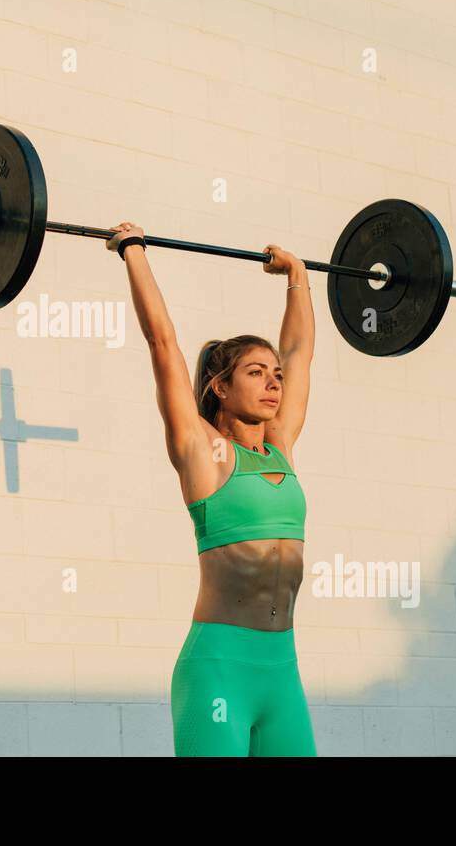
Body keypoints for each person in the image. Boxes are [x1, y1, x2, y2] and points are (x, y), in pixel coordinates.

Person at [106, 221, 318, 757]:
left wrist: (297, 276)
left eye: (274, 375)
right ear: (219, 387)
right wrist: (134, 252)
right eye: (255, 372)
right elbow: (163, 344)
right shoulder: (203, 454)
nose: (273, 382)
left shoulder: (281, 446)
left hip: (282, 670)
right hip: (218, 669)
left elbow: (298, 353)